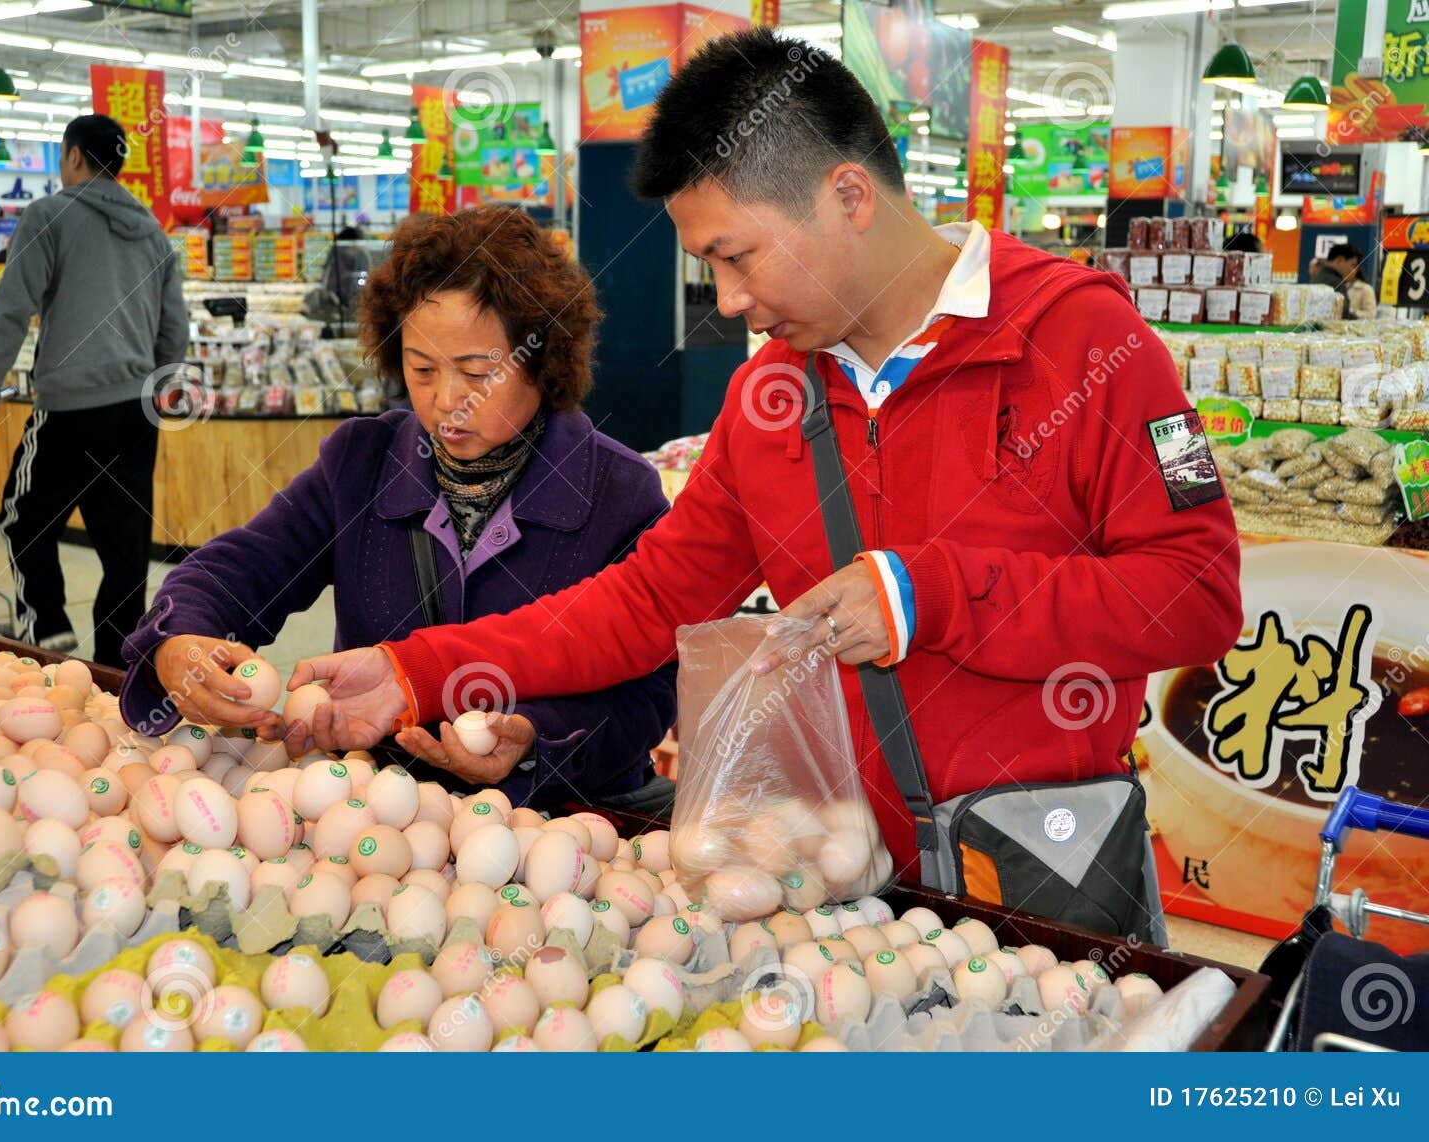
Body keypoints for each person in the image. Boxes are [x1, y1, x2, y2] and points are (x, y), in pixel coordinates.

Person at [275, 29, 1243, 874]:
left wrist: (927, 594)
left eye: (737, 256)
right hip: (836, 882)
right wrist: (417, 670)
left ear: (848, 196)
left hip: (1044, 881)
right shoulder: (771, 399)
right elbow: (645, 601)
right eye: (709, 266)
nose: (727, 300)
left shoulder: (1080, 344)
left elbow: (1197, 593)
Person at [120, 205, 675, 809]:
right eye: (422, 369)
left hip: (567, 812)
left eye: (477, 373)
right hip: (379, 801)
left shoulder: (617, 491)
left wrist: (536, 740)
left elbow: (651, 689)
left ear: (541, 361)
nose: (446, 401)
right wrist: (179, 640)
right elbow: (241, 568)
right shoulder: (362, 463)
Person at [0, 114, 187, 666]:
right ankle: (115, 667)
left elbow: (12, 310)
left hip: (69, 408)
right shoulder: (155, 234)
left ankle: (48, 625)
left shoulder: (49, 215)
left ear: (72, 157)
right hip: (136, 412)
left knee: (24, 518)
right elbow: (173, 329)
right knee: (125, 548)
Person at [1312, 243, 1377, 319]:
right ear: (1339, 261)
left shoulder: (1319, 277)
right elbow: (1343, 313)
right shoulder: (1335, 282)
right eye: (1352, 265)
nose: (1353, 270)